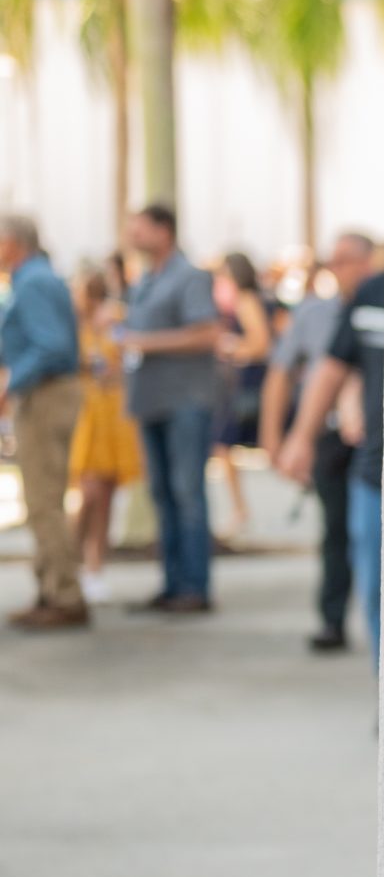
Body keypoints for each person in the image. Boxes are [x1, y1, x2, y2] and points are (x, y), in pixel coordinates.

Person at [264, 231, 377, 650]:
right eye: (336, 260)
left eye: (349, 259)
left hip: (371, 436)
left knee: (368, 530)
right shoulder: (313, 313)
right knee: (336, 529)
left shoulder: (381, 306)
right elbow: (280, 372)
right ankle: (332, 619)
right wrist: (278, 437)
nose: (341, 268)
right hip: (330, 435)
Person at [115, 203, 223, 614]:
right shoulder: (145, 280)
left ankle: (195, 587)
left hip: (185, 400)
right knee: (162, 493)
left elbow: (207, 333)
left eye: (139, 228)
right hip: (151, 401)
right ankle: (173, 582)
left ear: (164, 231)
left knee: (186, 492)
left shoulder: (190, 277)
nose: (133, 235)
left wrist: (145, 342)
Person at [1, 212, 87, 628]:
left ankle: (64, 594)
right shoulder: (33, 279)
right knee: (42, 498)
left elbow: (50, 345)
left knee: (43, 501)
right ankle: (52, 588)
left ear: (11, 242)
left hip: (46, 395)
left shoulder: (33, 282)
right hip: (47, 392)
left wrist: (9, 383)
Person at [67, 263, 146, 607]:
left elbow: (128, 360)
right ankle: (69, 565)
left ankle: (95, 569)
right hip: (87, 414)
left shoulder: (115, 322)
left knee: (106, 497)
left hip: (113, 413)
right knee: (87, 494)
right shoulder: (70, 329)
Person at [210, 251, 274, 540]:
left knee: (226, 443)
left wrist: (232, 348)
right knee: (225, 446)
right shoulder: (242, 300)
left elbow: (260, 344)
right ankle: (239, 508)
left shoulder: (246, 300)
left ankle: (240, 508)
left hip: (248, 381)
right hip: (243, 380)